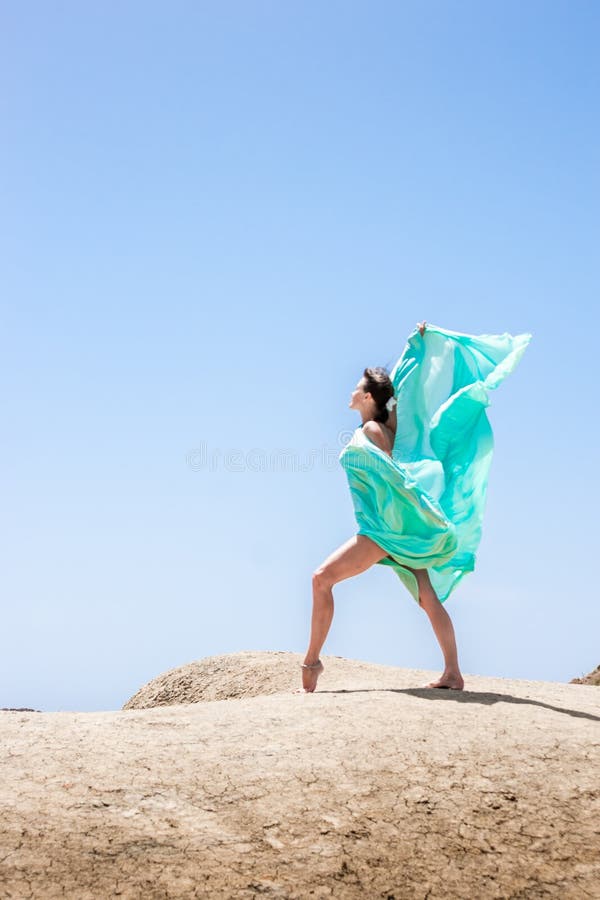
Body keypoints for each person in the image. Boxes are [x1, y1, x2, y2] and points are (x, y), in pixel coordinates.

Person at [299, 319, 532, 693]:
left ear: (369, 398)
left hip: (381, 530)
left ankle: (311, 664)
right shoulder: (385, 423)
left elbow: (393, 478)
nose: (352, 391)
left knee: (321, 579)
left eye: (359, 388)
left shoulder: (373, 432)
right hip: (394, 528)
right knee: (427, 597)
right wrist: (418, 345)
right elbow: (402, 388)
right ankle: (453, 672)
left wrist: (417, 512)